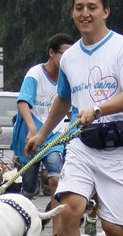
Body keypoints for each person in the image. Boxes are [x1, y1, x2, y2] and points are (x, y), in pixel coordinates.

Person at [25, 0, 123, 236]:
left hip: (119, 146)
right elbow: (63, 100)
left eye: (92, 7)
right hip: (82, 145)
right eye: (79, 7)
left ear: (105, 11)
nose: (85, 13)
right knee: (68, 209)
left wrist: (99, 108)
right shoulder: (70, 57)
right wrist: (41, 134)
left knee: (114, 227)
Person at [12, 34, 75, 202]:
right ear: (51, 53)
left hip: (54, 135)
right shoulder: (35, 74)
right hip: (31, 136)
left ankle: (57, 227)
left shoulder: (70, 76)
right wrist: (32, 129)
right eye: (64, 54)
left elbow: (70, 107)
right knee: (29, 189)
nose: (67, 59)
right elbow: (23, 102)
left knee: (56, 179)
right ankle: (26, 221)